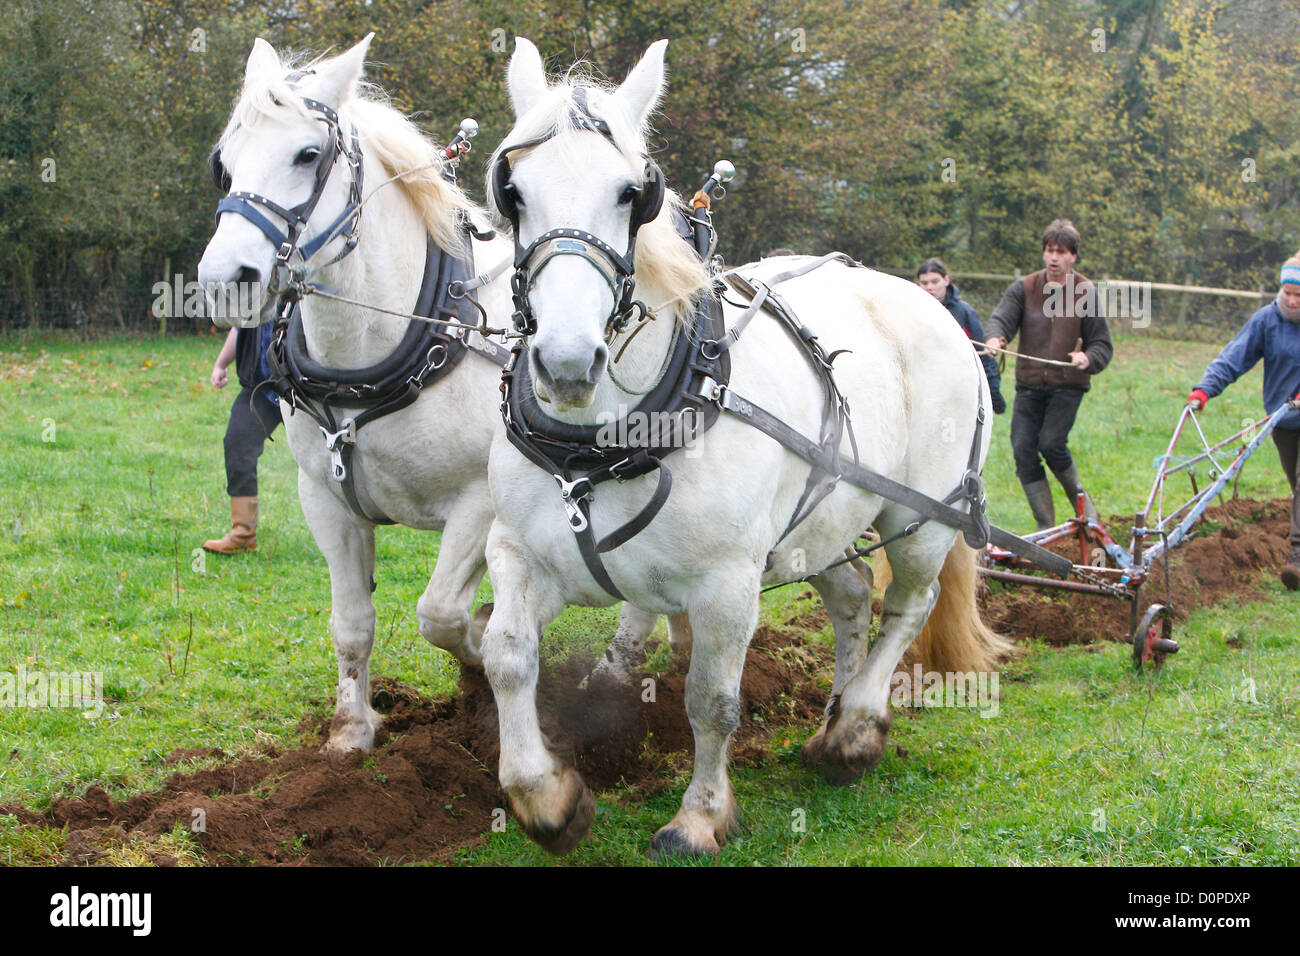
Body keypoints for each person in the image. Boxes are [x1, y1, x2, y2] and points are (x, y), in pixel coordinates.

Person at [983, 219, 1113, 529]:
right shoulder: (1025, 288)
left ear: (1073, 257)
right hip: (1029, 386)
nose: (1054, 257)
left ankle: (1088, 515)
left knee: (1051, 444)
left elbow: (1103, 345)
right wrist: (995, 338)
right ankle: (1047, 525)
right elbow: (1001, 319)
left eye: (1061, 252)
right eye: (1049, 251)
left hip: (1067, 386)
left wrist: (1087, 358)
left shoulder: (1086, 292)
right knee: (1023, 449)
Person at [1187, 256, 1300, 589]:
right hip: (1284, 420)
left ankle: (1297, 558)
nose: (1292, 301)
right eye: (1287, 292)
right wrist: (1203, 391)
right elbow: (1233, 358)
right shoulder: (1267, 321)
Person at [203, 324, 281, 553]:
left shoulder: (302, 289)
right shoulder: (257, 294)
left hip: (306, 390)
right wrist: (220, 364)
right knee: (237, 443)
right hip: (261, 389)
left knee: (331, 453)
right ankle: (243, 533)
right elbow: (240, 328)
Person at [916, 257, 1005, 415]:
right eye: (924, 283)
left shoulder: (964, 312)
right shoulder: (912, 313)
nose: (929, 287)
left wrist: (993, 390)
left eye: (934, 281)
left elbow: (983, 354)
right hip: (925, 390)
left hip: (960, 389)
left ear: (946, 280)